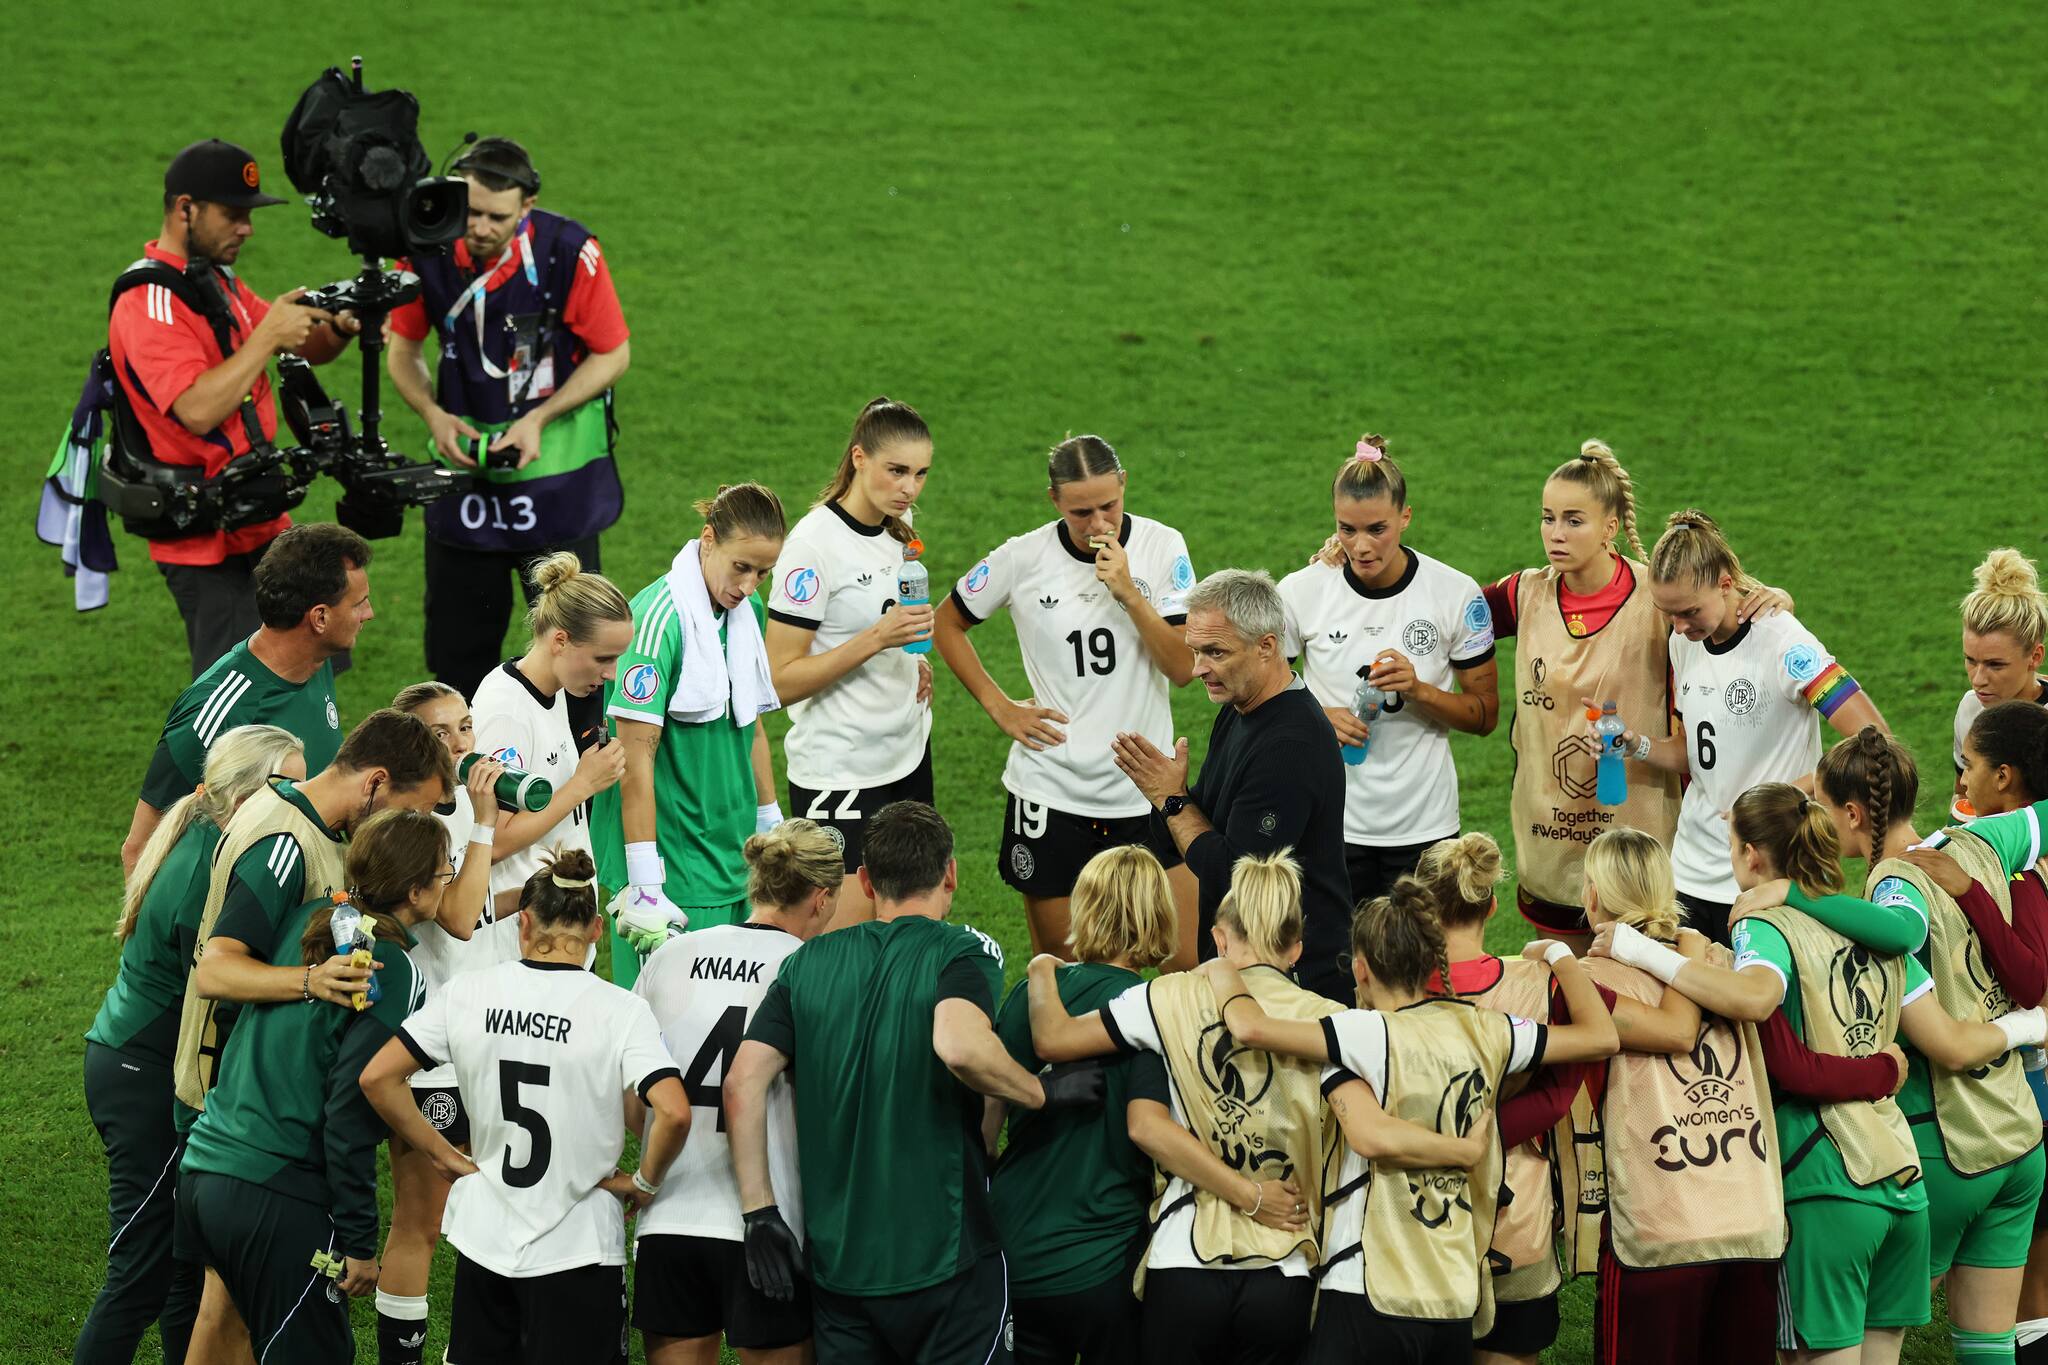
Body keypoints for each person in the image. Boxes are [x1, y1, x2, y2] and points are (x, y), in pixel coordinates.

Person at [1596, 782, 2044, 1364]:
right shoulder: (1875, 928)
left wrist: (1646, 953)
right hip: (1901, 1183)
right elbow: (1923, 980)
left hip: (1825, 1183)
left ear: (1751, 856)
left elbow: (1758, 1001)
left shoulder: (1765, 927)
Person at [1027, 852, 1456, 1365]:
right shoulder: (1334, 1022)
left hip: (1183, 1258)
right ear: (1296, 948)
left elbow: (1052, 1038)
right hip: (1287, 1265)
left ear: (1219, 939)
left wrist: (1040, 968)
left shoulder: (1165, 997)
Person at [726, 801, 1100, 1365]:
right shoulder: (960, 951)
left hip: (840, 1270)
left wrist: (759, 1212)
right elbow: (960, 1045)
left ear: (866, 881)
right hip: (945, 1262)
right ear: (950, 873)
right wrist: (1041, 1092)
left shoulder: (806, 963)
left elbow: (742, 1084)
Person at [1199, 876, 1617, 1365]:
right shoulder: (1492, 1030)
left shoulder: (1361, 1032)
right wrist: (1560, 956)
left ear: (1361, 968)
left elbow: (1250, 1027)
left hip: (1370, 1285)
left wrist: (1221, 967)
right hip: (1455, 1290)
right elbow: (1600, 1037)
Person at [360, 849, 692, 1365]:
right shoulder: (621, 1011)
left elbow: (378, 1077)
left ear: (525, 922)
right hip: (579, 1250)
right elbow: (672, 1112)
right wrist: (645, 1184)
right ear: (597, 930)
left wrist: (442, 1155)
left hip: (485, 1242)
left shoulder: (467, 993)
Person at [1407, 831, 1703, 1365]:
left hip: (1412, 1227)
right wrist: (1565, 959)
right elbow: (1667, 1032)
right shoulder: (1543, 985)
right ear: (1493, 904)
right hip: (1515, 1227)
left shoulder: (1385, 985)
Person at [1479, 441, 1789, 948]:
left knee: (1650, 983)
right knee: (1570, 990)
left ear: (1611, 528)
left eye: (1573, 520)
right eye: (1548, 518)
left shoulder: (1659, 597)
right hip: (1549, 834)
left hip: (1644, 828)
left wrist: (1779, 600)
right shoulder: (1524, 593)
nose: (1555, 534)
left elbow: (1733, 608)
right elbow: (1445, 612)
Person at [173, 809, 442, 1365]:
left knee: (226, 1332)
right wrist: (360, 1244)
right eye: (445, 874)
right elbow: (352, 1106)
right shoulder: (391, 970)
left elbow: (230, 1016)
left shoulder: (311, 916)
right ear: (416, 892)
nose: (449, 882)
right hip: (274, 1193)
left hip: (206, 1169)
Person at [1815, 723, 2048, 1365]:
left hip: (1951, 1146)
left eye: (1823, 808)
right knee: (1988, 1342)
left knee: (1862, 1339)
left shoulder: (1893, 889)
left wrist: (1795, 902)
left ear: (1855, 813)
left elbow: (1898, 932)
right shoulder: (1976, 843)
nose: (1818, 823)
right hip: (2020, 1139)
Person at [74, 724, 304, 1365]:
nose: (300, 796)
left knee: (183, 1266)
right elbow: (220, 990)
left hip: (139, 1058)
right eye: (286, 783)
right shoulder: (209, 866)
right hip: (143, 1074)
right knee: (140, 1275)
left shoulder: (212, 837)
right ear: (241, 795)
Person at [934, 433, 1200, 963]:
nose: (1098, 523)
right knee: (1065, 968)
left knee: (1182, 962)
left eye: (1109, 505)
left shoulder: (1161, 546)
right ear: (1054, 500)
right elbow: (946, 622)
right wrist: (999, 705)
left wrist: (1128, 592)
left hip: (1144, 789)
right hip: (1052, 792)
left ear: (1124, 485)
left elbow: (1184, 667)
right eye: (1081, 512)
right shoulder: (1022, 558)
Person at [384, 136, 634, 701]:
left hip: (556, 483)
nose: (479, 227)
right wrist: (433, 413)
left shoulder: (569, 251)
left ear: (527, 206)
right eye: (471, 211)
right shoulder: (427, 243)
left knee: (578, 650)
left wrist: (540, 417)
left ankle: (578, 772)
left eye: (497, 216)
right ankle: (459, 780)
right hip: (466, 478)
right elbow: (402, 349)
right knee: (456, 653)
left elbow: (613, 352)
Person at [107, 139, 362, 677]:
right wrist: (267, 336)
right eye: (233, 214)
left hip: (260, 519)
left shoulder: (215, 281)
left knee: (311, 671)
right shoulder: (148, 302)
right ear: (185, 209)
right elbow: (196, 409)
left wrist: (336, 327)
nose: (246, 227)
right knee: (238, 709)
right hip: (206, 541)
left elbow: (301, 343)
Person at [173, 709, 455, 1131]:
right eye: (411, 812)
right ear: (376, 782)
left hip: (254, 1095)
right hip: (229, 1104)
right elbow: (215, 972)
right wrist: (312, 980)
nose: (411, 829)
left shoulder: (287, 800)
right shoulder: (284, 846)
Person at [1567, 827, 1786, 1365]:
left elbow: (1675, 1032)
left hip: (1659, 1231)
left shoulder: (1587, 983)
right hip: (1752, 1221)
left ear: (1592, 896)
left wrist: (1552, 958)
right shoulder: (1718, 964)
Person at [629, 820, 840, 1365]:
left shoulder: (668, 957)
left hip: (668, 1220)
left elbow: (635, 1102)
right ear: (820, 899)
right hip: (768, 1224)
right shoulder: (810, 970)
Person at [1627, 509, 1885, 944]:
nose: (1679, 626)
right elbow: (1698, 753)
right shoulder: (1682, 644)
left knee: (1767, 1007)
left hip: (1772, 868)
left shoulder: (1783, 641)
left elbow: (1872, 738)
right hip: (1690, 870)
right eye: (1668, 614)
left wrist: (1785, 796)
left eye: (1689, 611)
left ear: (1726, 584)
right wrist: (1636, 745)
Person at [1109, 568, 1351, 999]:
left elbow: (1235, 873)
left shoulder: (1290, 745)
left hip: (1294, 981)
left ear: (1266, 646)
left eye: (1216, 653)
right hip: (1251, 968)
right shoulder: (1241, 708)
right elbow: (1189, 833)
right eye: (1196, 651)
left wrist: (1171, 799)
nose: (1199, 668)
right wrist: (1169, 800)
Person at [1282, 435, 1500, 911]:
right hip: (1330, 823)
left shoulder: (1453, 593)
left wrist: (1419, 689)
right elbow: (1257, 694)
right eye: (1347, 529)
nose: (1361, 547)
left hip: (1425, 828)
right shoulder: (1302, 591)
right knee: (1336, 971)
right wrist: (1316, 714)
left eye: (1377, 529)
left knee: (1424, 974)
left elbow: (1484, 717)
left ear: (1406, 517)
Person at [986, 844, 1180, 1364]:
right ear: (1159, 914)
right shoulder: (1159, 1010)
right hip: (1105, 1263)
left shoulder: (1031, 993)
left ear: (1084, 909)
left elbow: (985, 1129)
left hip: (1015, 1253)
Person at [596, 484, 786, 984]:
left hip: (734, 857)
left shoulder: (749, 613)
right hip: (671, 873)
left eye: (762, 572)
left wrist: (771, 823)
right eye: (740, 567)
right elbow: (633, 758)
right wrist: (643, 881)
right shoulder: (658, 622)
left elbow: (753, 723)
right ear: (707, 540)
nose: (749, 585)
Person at [764, 398, 937, 929]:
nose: (909, 488)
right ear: (859, 458)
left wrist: (908, 663)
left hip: (907, 753)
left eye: (921, 473)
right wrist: (876, 640)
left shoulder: (894, 522)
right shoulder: (812, 548)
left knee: (909, 928)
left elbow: (886, 612)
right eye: (897, 471)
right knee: (846, 942)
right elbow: (777, 680)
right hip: (841, 771)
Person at [375, 682, 508, 1365]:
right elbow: (455, 918)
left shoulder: (445, 817)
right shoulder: (413, 827)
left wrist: (537, 896)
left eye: (465, 726)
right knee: (420, 1226)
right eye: (442, 733)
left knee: (486, 1218)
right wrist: (485, 822)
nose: (462, 743)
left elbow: (473, 908)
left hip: (477, 1043)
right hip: (431, 1051)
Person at [122, 522, 373, 875]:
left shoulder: (317, 661)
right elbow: (140, 849)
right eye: (359, 604)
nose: (369, 614)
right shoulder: (218, 712)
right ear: (319, 618)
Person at [470, 550, 631, 916]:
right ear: (560, 641)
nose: (613, 673)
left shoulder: (556, 690)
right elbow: (491, 839)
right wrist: (582, 785)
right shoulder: (506, 713)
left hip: (559, 918)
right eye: (603, 658)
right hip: (522, 935)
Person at [1952, 548, 2048, 819]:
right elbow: (1963, 796)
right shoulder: (1970, 708)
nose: (1978, 679)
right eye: (1971, 660)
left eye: (1995, 665)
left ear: (2035, 656)